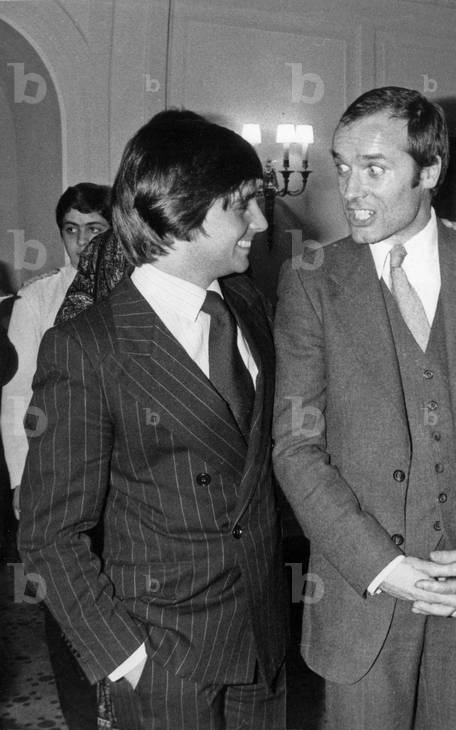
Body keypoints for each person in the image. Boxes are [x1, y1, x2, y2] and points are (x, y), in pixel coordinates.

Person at [272, 86, 456, 729]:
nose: (351, 189)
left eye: (375, 169)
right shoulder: (310, 279)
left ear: (429, 171)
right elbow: (297, 449)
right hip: (363, 600)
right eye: (342, 166)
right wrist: (382, 565)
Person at [18, 110, 289, 730]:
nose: (262, 222)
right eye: (242, 204)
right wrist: (125, 657)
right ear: (181, 212)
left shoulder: (246, 304)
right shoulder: (88, 346)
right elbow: (48, 531)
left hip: (263, 641)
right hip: (167, 659)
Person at [3, 183, 111, 519]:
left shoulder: (136, 295)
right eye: (71, 230)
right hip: (59, 465)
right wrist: (22, 475)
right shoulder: (37, 299)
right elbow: (18, 393)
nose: (81, 243)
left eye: (94, 229)